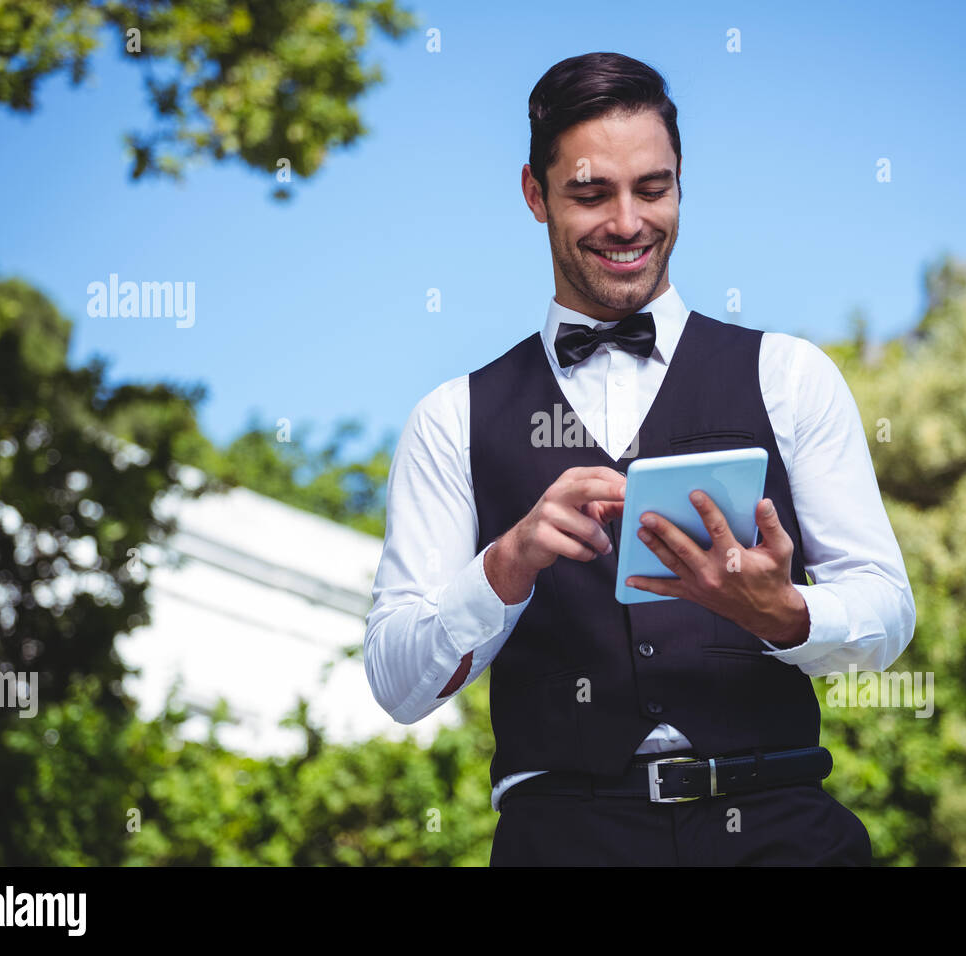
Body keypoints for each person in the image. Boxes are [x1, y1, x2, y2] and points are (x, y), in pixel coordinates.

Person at [364, 51, 916, 866]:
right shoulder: (452, 419)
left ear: (681, 184)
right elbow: (397, 681)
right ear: (534, 195)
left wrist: (785, 613)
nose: (627, 222)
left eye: (652, 189)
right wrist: (504, 567)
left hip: (777, 824)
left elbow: (887, 610)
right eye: (590, 194)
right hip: (562, 837)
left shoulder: (790, 376)